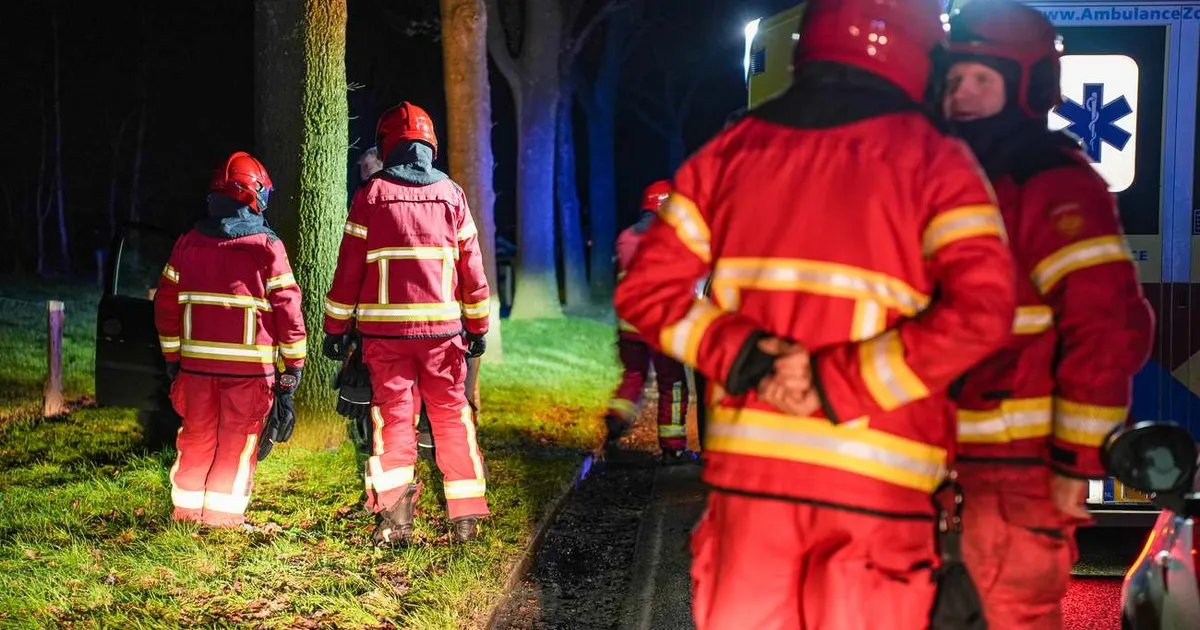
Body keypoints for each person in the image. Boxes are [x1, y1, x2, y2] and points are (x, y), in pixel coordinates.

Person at [613, 0, 1020, 627]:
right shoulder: (939, 161)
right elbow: (985, 312)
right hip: (879, 490)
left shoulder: (729, 154)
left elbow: (646, 291)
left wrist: (748, 358)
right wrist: (839, 381)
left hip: (752, 485)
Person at [943, 2, 1154, 627]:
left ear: (1030, 86)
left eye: (983, 78)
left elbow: (1105, 329)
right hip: (936, 462)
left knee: (1009, 612)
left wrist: (1074, 464)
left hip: (1020, 466)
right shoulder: (948, 175)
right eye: (954, 77)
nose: (962, 94)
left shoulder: (1053, 183)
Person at [323, 101, 491, 545]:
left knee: (394, 420)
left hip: (386, 338)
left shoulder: (371, 195)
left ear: (387, 146)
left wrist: (335, 328)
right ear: (430, 146)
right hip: (443, 337)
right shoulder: (452, 194)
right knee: (452, 419)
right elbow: (472, 271)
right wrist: (478, 327)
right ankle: (466, 521)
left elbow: (348, 271)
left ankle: (396, 522)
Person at [154, 151, 307, 529]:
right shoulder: (267, 247)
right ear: (256, 195)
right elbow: (288, 310)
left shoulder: (188, 243)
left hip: (195, 371)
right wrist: (294, 366)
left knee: (195, 438)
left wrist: (173, 358)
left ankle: (186, 515)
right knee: (237, 443)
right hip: (249, 373)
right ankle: (222, 521)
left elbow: (166, 305)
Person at [605, 179, 695, 464]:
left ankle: (616, 417)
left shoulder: (625, 238)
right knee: (673, 384)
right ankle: (673, 448)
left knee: (633, 375)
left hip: (630, 325)